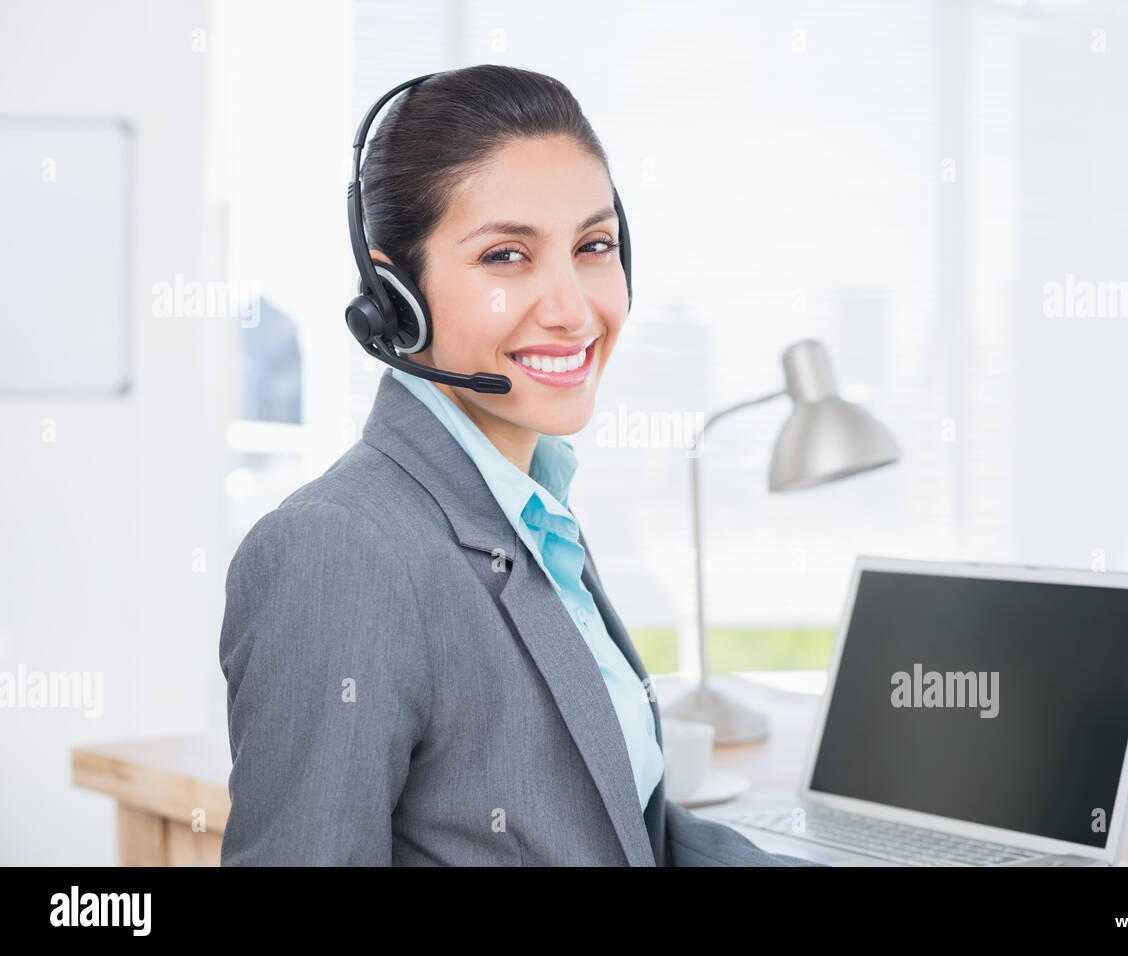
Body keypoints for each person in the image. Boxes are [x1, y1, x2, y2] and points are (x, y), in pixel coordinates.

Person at [219, 64, 822, 866]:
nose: (572, 308)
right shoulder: (341, 549)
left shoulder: (531, 504)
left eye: (594, 246)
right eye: (507, 256)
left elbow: (630, 832)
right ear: (394, 295)